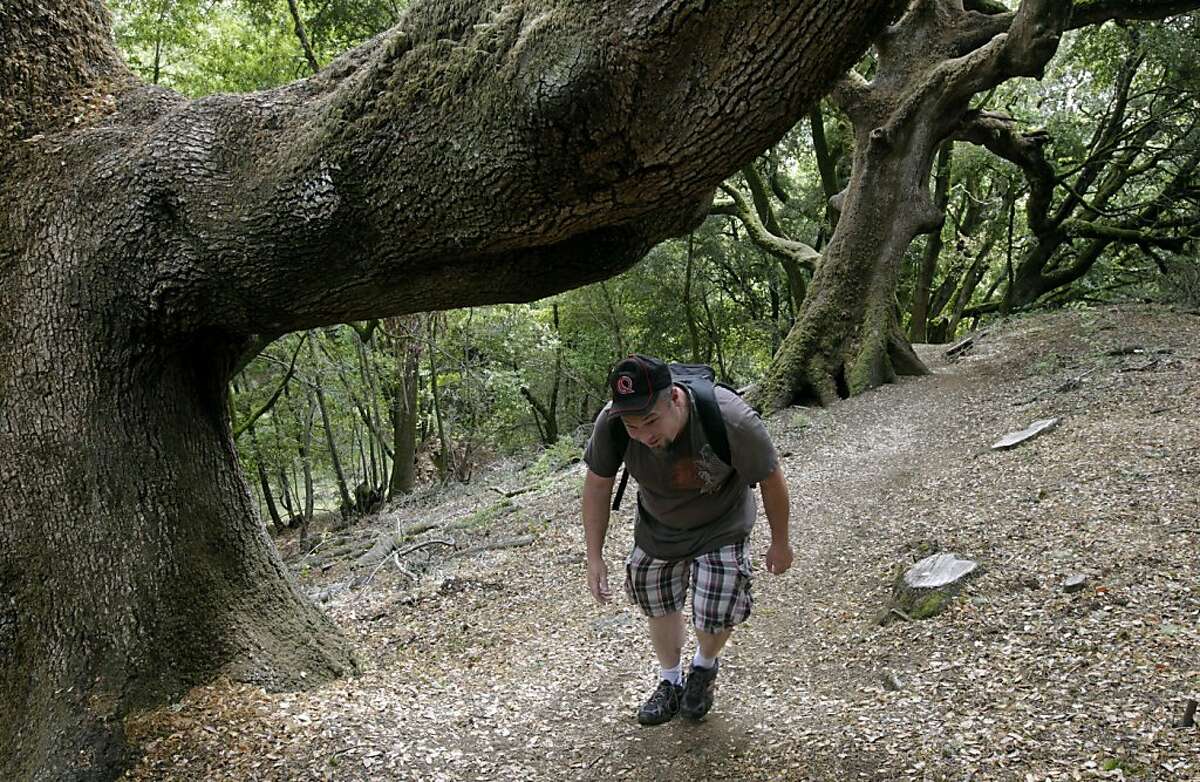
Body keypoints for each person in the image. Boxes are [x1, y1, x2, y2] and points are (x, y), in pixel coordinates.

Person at [582, 354, 793, 725]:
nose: (644, 435)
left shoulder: (730, 418)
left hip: (721, 523)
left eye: (650, 421)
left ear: (675, 399)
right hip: (659, 524)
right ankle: (670, 682)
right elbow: (598, 486)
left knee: (716, 607)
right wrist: (594, 556)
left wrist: (780, 542)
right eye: (632, 426)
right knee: (657, 598)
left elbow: (771, 478)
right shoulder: (611, 424)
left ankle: (704, 667)